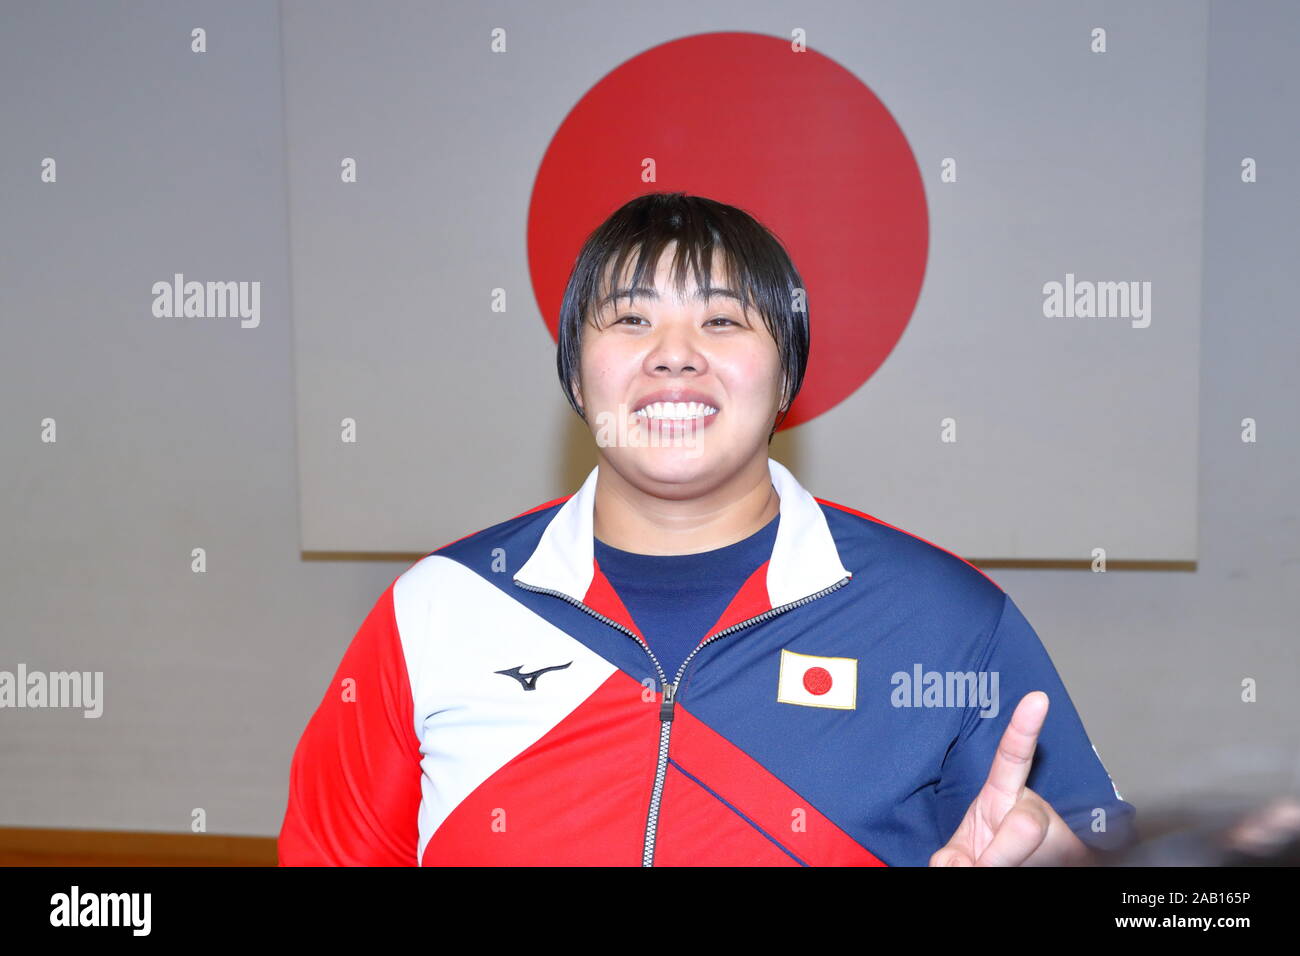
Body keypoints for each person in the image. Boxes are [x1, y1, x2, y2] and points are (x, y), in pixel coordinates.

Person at [278, 192, 1137, 866]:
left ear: (788, 370)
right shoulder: (436, 609)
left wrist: (1074, 872)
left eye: (723, 321)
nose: (675, 353)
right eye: (630, 318)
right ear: (576, 375)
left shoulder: (947, 618)